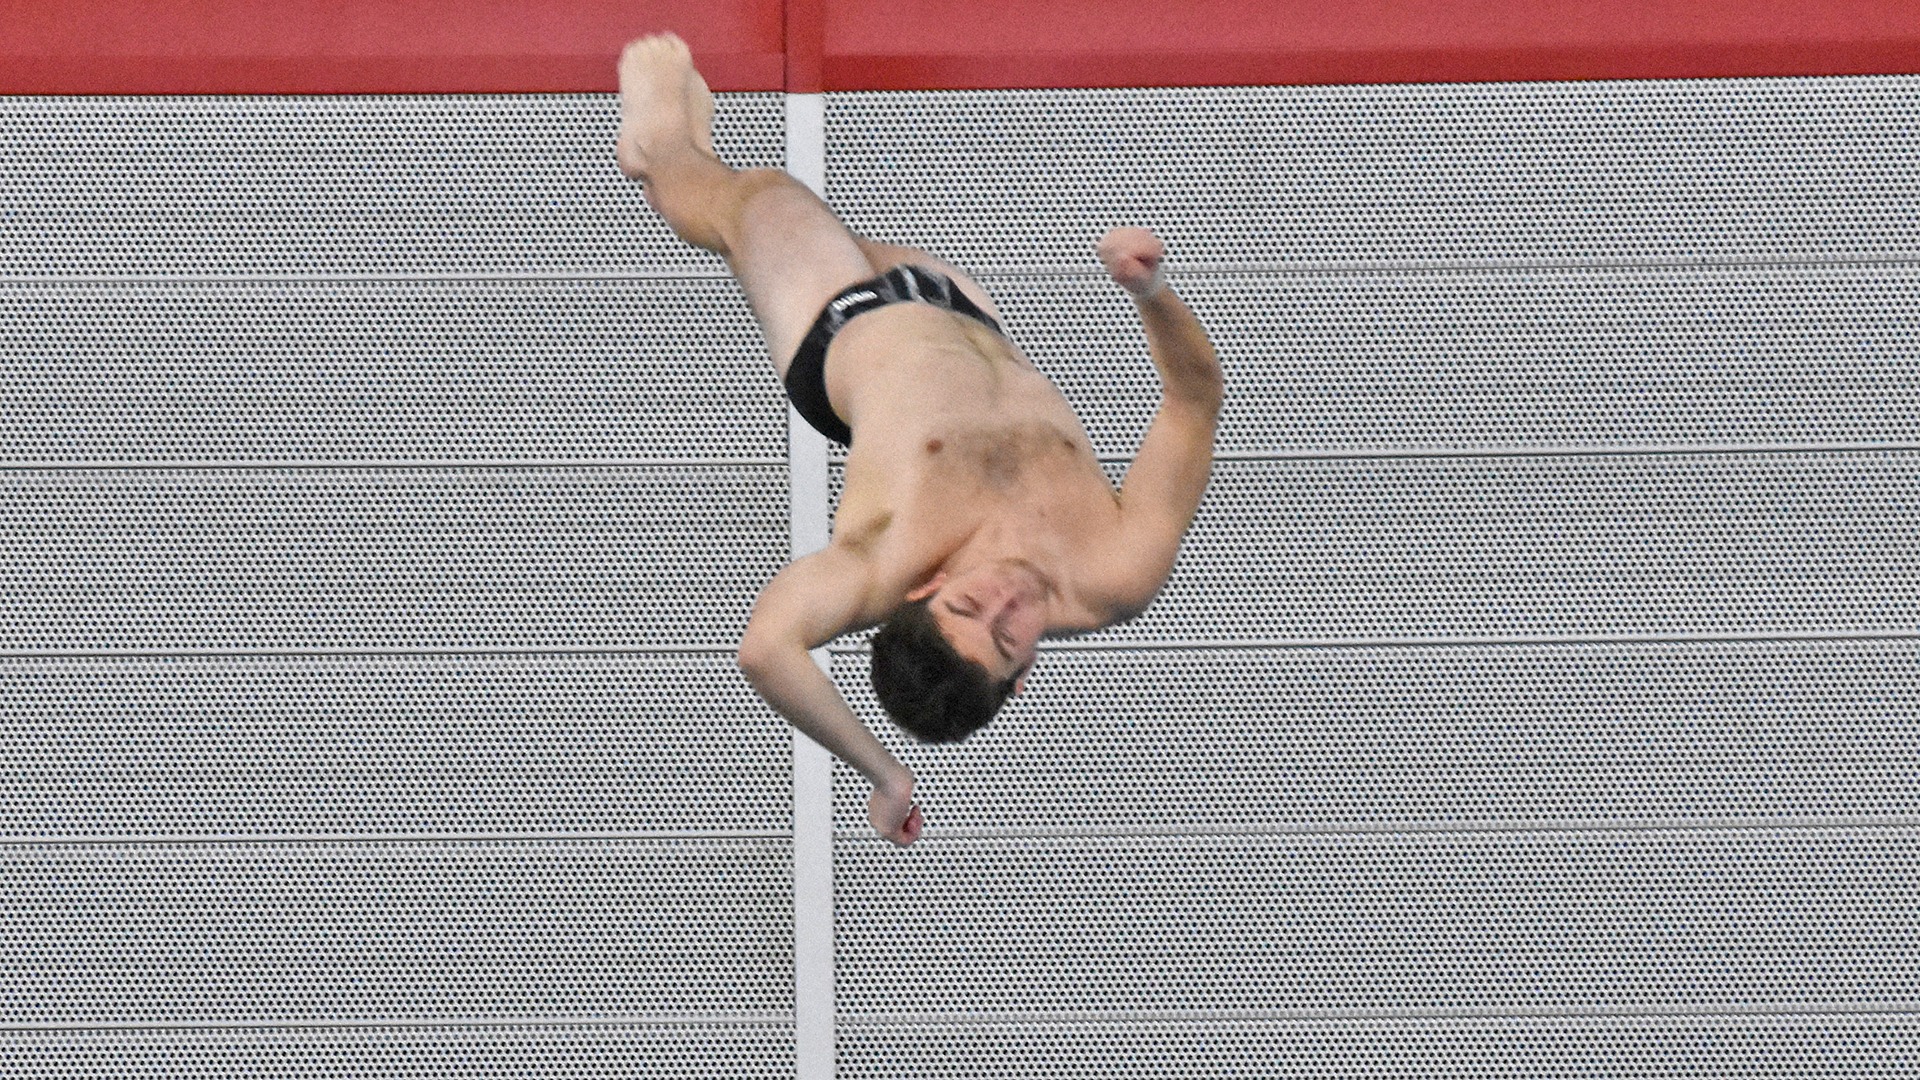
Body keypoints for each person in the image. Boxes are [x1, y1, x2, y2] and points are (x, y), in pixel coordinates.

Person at [617, 34, 1223, 846]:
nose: (1008, 596)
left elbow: (766, 649)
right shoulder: (1116, 570)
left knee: (754, 201)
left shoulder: (882, 564)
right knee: (820, 222)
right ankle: (683, 168)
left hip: (837, 333)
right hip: (960, 313)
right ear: (1024, 674)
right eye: (1009, 631)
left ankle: (660, 153)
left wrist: (884, 772)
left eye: (971, 603)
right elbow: (1193, 399)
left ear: (923, 592)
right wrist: (1152, 290)